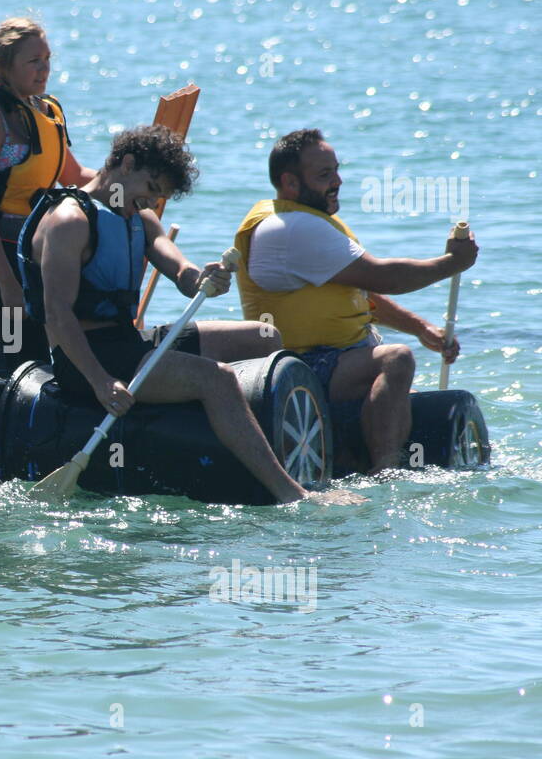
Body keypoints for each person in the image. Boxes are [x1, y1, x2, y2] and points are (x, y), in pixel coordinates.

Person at [19, 125, 330, 505]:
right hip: (87, 358)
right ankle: (288, 492)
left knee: (265, 338)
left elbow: (182, 273)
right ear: (125, 163)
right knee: (217, 380)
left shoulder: (140, 219)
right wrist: (101, 382)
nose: (149, 202)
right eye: (149, 188)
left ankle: (255, 452)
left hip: (129, 343)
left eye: (158, 196)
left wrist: (204, 278)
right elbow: (56, 314)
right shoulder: (71, 222)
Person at [233, 128, 479, 473]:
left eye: (336, 170)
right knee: (395, 359)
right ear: (290, 183)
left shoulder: (306, 221)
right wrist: (452, 263)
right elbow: (382, 277)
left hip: (335, 362)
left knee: (396, 358)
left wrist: (421, 328)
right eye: (324, 175)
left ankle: (364, 454)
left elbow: (360, 292)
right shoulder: (290, 228)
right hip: (301, 367)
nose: (337, 181)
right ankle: (385, 472)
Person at [0, 16, 97, 375]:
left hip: (24, 250)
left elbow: (74, 177)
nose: (44, 70)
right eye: (33, 61)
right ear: (4, 66)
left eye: (47, 59)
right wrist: (6, 284)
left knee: (35, 360)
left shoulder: (47, 110)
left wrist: (124, 180)